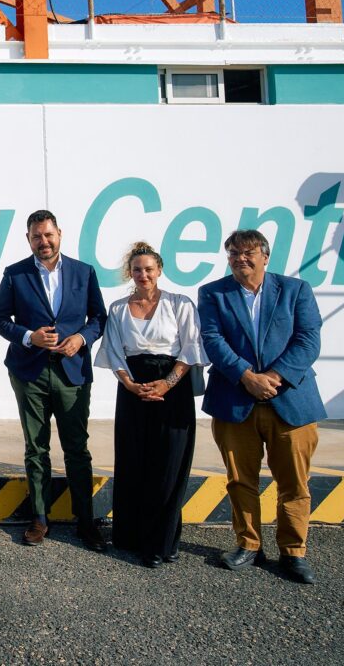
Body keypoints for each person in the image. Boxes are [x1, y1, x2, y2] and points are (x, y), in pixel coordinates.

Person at [199, 228, 325, 585]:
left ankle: (293, 552)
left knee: (294, 483)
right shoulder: (213, 293)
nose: (241, 258)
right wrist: (246, 377)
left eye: (249, 252)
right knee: (240, 480)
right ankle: (248, 544)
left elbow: (308, 338)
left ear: (265, 257)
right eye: (234, 253)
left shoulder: (295, 290)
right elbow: (212, 339)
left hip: (291, 400)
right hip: (235, 400)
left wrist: (274, 376)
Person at [0, 209, 108, 551]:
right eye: (36, 236)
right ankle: (39, 518)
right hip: (29, 372)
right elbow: (0, 319)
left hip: (72, 371)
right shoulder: (15, 274)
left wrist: (81, 339)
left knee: (77, 448)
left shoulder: (83, 272)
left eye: (48, 235)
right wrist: (29, 336)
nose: (43, 242)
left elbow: (98, 317)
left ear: (59, 233)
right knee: (36, 448)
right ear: (27, 239)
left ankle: (85, 521)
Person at [102, 242, 204, 567]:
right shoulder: (118, 308)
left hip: (172, 387)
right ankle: (130, 537)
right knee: (134, 462)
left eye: (148, 269)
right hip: (133, 389)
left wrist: (167, 383)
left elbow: (191, 348)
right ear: (129, 273)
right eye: (136, 269)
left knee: (168, 466)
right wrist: (130, 383)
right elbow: (114, 350)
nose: (143, 275)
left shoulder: (179, 304)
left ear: (159, 270)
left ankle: (161, 542)